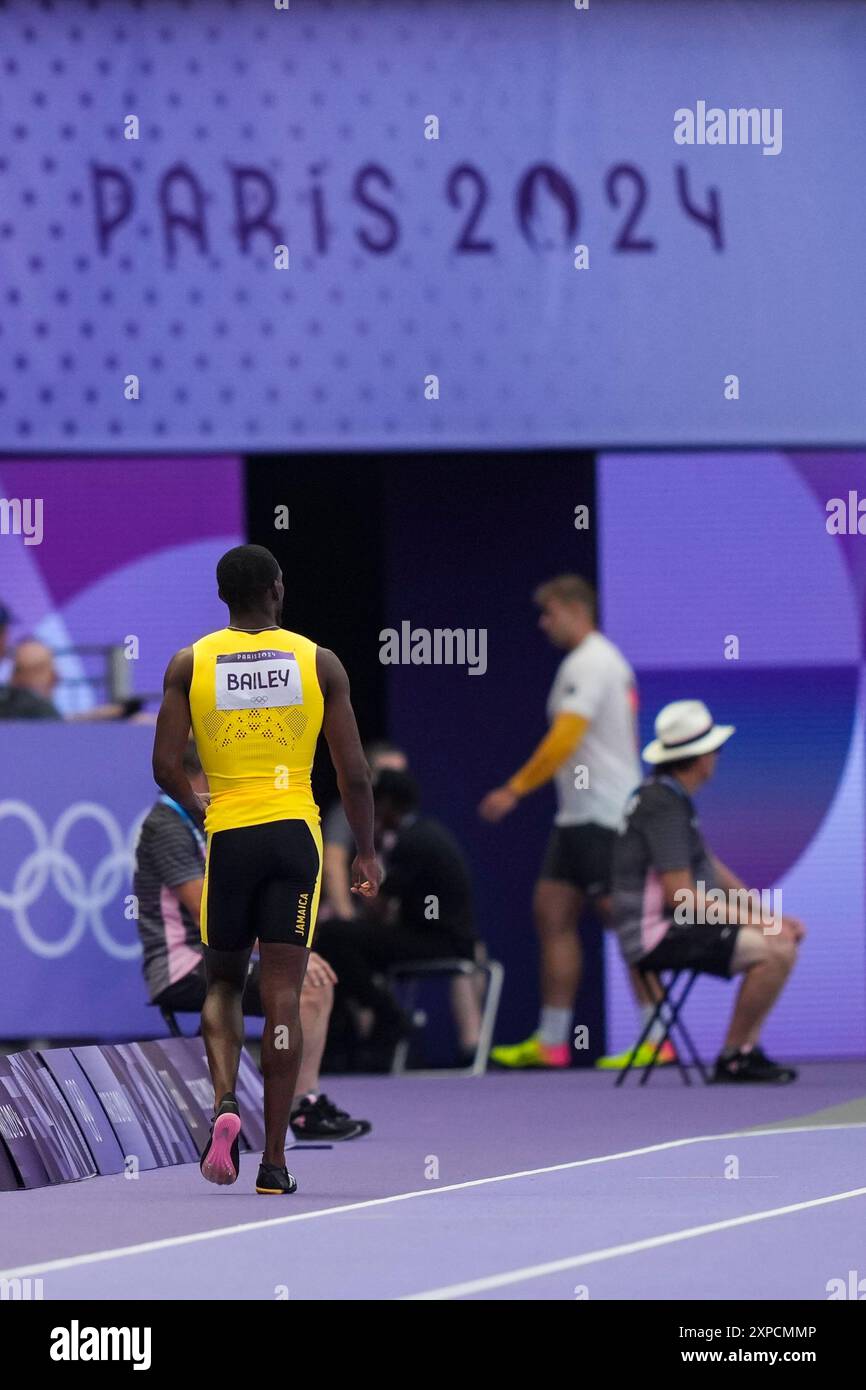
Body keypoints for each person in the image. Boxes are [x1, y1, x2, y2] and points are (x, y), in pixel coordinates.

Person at [152, 543, 380, 1195]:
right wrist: (364, 851)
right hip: (294, 834)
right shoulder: (319, 661)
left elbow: (165, 765)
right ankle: (275, 1162)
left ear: (222, 596)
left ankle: (225, 1101)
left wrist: (207, 813)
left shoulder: (189, 662)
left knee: (223, 981)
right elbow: (355, 772)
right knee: (284, 994)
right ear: (277, 589)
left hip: (232, 834)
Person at [134, 742, 369, 1141]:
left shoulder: (213, 819)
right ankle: (290, 1109)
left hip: (226, 951)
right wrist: (289, 951)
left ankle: (303, 1102)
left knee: (317, 982)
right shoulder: (167, 825)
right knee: (307, 987)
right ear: (208, 774)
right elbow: (204, 909)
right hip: (184, 961)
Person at [479, 574, 660, 1069]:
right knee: (552, 913)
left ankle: (658, 1036)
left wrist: (514, 789)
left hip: (604, 814)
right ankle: (554, 1040)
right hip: (576, 816)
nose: (543, 623)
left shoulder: (593, 662)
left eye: (550, 613)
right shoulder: (589, 663)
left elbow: (564, 740)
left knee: (623, 924)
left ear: (576, 610)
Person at [611, 700, 804, 1083]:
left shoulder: (670, 798)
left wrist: (769, 916)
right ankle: (735, 1056)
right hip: (658, 936)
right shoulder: (662, 806)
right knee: (775, 948)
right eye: (715, 750)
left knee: (778, 939)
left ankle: (743, 1051)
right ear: (700, 758)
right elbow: (682, 898)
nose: (717, 757)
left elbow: (712, 867)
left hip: (675, 926)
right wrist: (764, 925)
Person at [316, 770, 477, 1062]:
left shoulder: (412, 842)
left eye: (376, 805)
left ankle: (386, 1016)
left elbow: (378, 909)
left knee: (333, 936)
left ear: (388, 804)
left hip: (440, 943)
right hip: (438, 936)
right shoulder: (425, 832)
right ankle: (369, 1029)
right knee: (343, 941)